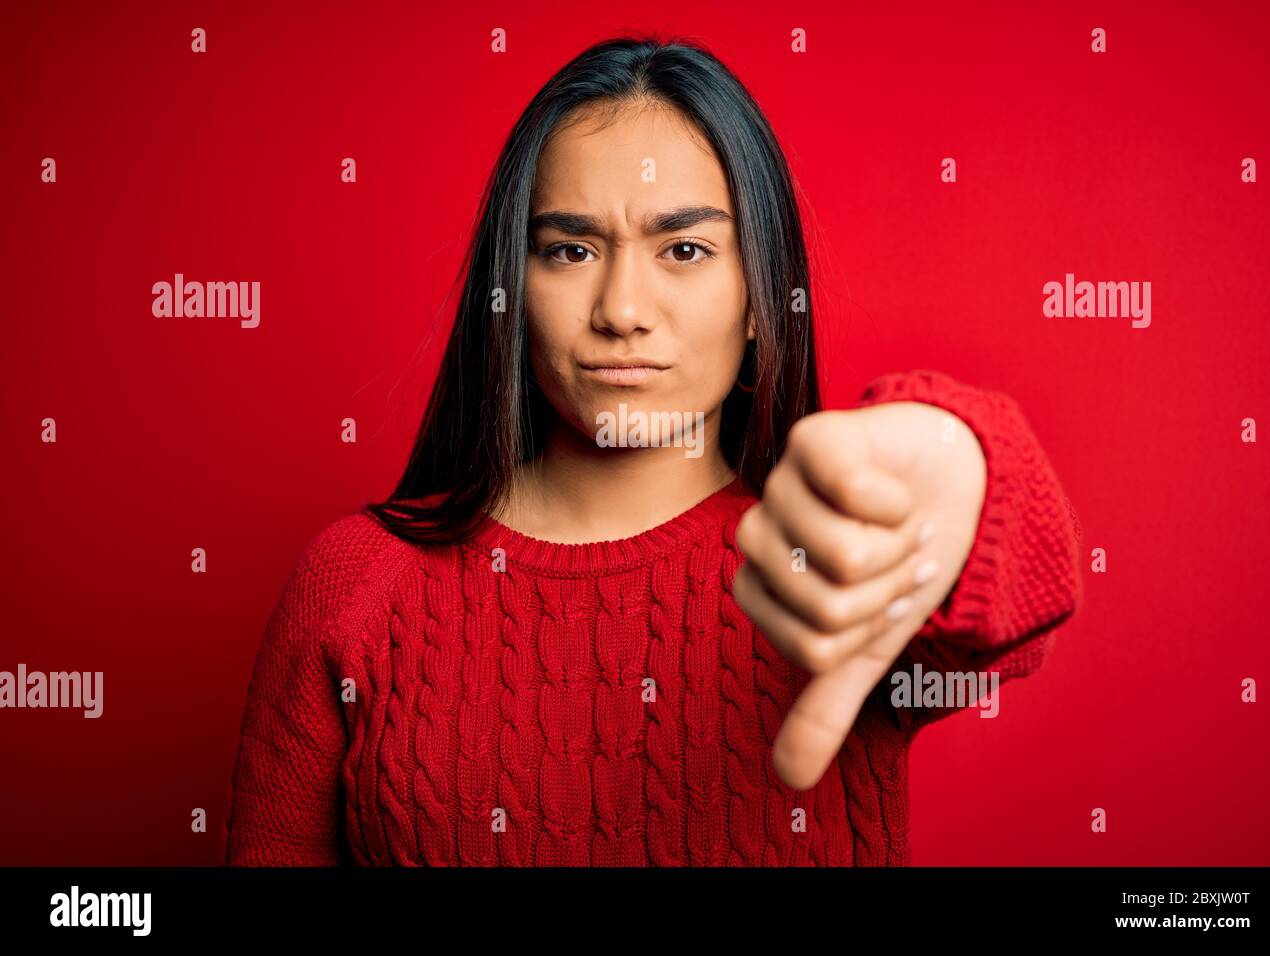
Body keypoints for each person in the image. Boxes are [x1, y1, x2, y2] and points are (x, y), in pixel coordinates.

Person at [225, 34, 1083, 866]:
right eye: (570, 250)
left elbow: (1022, 601)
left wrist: (967, 463)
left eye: (684, 249)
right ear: (510, 290)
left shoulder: (833, 569)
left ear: (762, 298)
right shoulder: (354, 586)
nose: (622, 310)